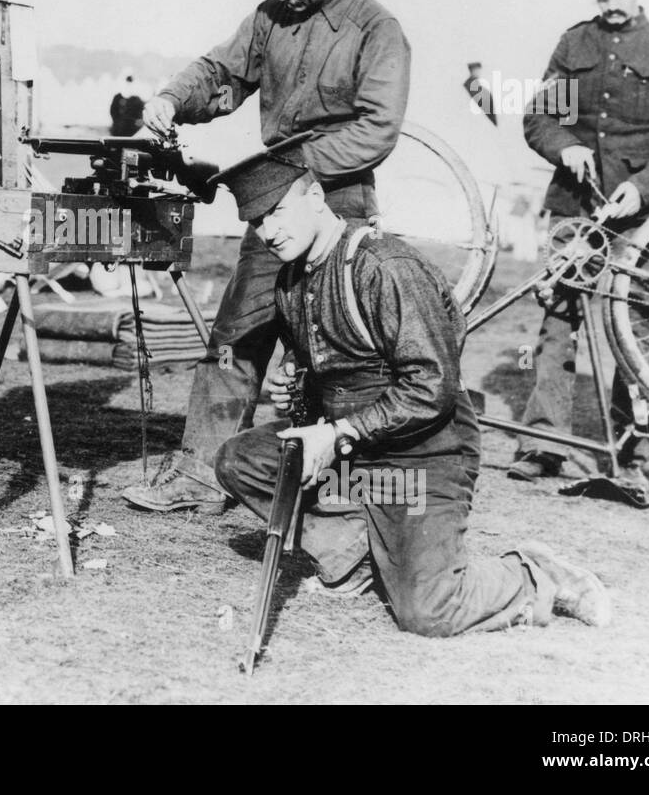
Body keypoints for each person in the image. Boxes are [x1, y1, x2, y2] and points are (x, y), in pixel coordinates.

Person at [209, 145, 612, 635]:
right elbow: (332, 366)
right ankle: (352, 554)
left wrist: (335, 433)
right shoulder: (292, 280)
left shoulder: (384, 266)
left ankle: (531, 576)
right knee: (241, 460)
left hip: (423, 459)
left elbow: (431, 385)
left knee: (429, 611)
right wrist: (298, 379)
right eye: (256, 222)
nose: (268, 232)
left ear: (315, 197)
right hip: (358, 465)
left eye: (276, 212)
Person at [122, 0, 410, 512]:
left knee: (337, 344)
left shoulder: (377, 31)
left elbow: (378, 129)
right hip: (274, 203)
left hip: (339, 206)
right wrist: (172, 99)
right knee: (238, 333)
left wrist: (301, 168)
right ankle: (201, 474)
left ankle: (345, 481)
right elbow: (221, 74)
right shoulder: (269, 18)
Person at [513, 0, 649, 492]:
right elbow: (539, 120)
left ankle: (629, 450)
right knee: (558, 321)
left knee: (638, 328)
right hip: (575, 208)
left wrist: (642, 190)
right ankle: (543, 444)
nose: (612, 3)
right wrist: (563, 146)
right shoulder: (573, 43)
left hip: (644, 221)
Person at [109, 69, 146, 136]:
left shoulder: (137, 100)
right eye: (128, 80)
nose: (129, 83)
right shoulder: (117, 98)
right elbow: (113, 112)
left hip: (132, 132)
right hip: (118, 131)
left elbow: (140, 116)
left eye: (130, 80)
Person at [463, 60, 497, 125]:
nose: (479, 72)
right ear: (472, 70)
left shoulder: (477, 85)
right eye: (477, 70)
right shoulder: (469, 85)